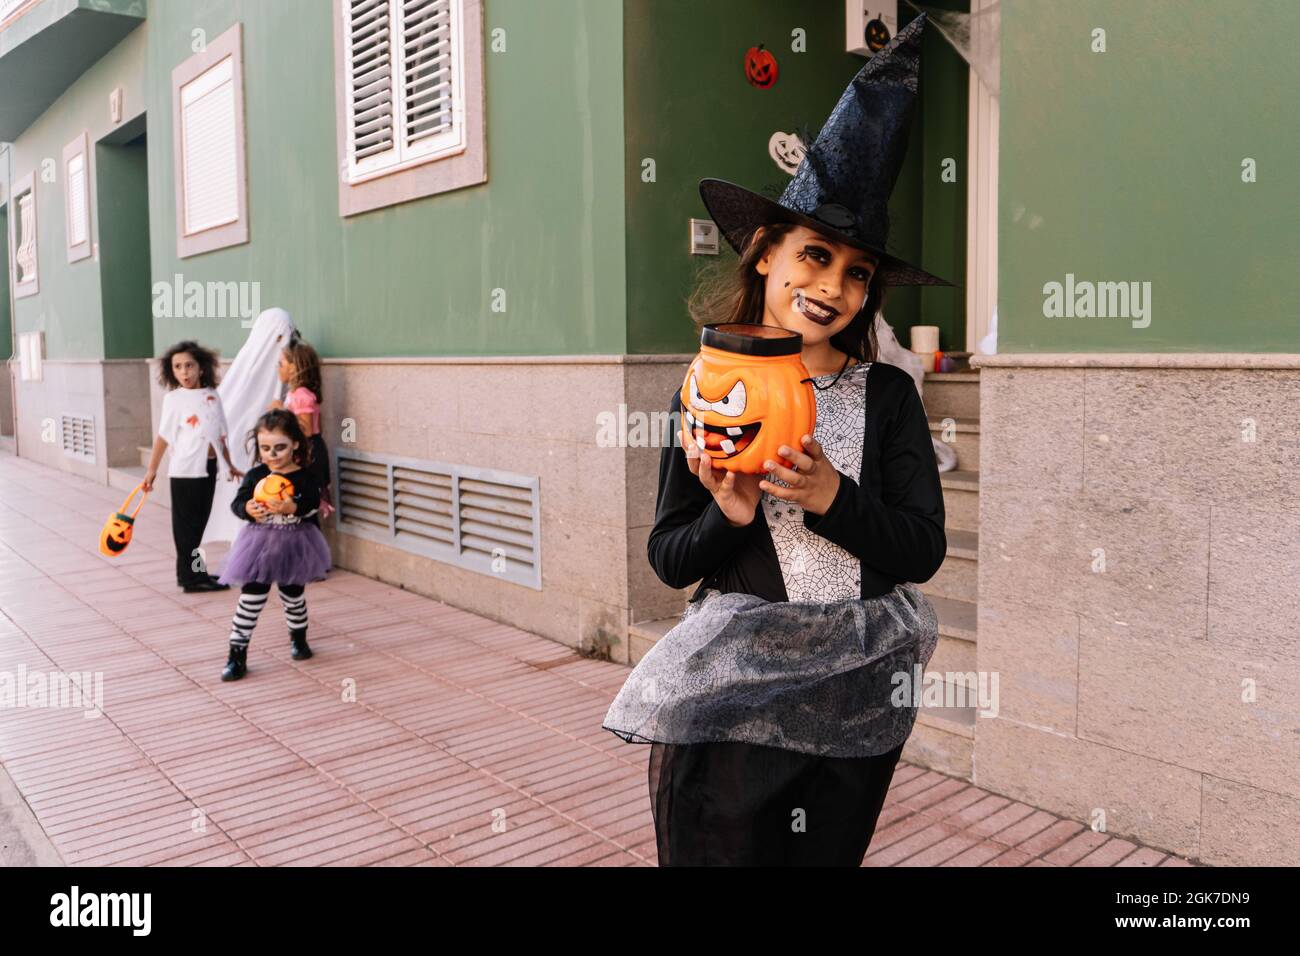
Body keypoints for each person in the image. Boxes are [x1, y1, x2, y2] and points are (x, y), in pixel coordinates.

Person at [603, 14, 949, 866]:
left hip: (851, 690)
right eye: (814, 256)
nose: (831, 286)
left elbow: (922, 546)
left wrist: (834, 498)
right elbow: (670, 557)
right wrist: (728, 514)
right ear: (765, 253)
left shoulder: (889, 398)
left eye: (856, 272)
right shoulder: (709, 386)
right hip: (733, 699)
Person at [217, 409, 332, 681]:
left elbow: (313, 502)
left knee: (293, 597)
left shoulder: (306, 476)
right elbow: (238, 503)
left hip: (295, 543)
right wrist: (247, 508)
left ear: (295, 443)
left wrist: (294, 505)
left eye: (280, 447)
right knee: (250, 598)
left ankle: (298, 639)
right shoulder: (256, 475)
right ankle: (237, 654)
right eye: (265, 448)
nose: (273, 455)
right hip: (259, 545)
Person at [142, 341, 243, 592]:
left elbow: (219, 435)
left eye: (189, 365)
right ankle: (190, 578)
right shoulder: (174, 399)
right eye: (177, 367)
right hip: (185, 470)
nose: (184, 372)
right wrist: (152, 470)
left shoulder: (212, 394)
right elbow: (164, 436)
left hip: (208, 468)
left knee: (199, 526)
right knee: (187, 528)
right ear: (171, 371)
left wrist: (229, 465)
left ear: (201, 367)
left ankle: (196, 574)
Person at [202, 307, 296, 549]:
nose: (284, 341)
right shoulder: (250, 365)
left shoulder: (283, 365)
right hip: (243, 446)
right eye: (279, 336)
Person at [270, 332, 334, 520]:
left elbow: (306, 429)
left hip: (309, 452)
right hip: (303, 450)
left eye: (281, 364)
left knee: (304, 499)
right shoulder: (293, 393)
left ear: (294, 368)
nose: (277, 368)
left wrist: (282, 410)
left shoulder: (301, 395)